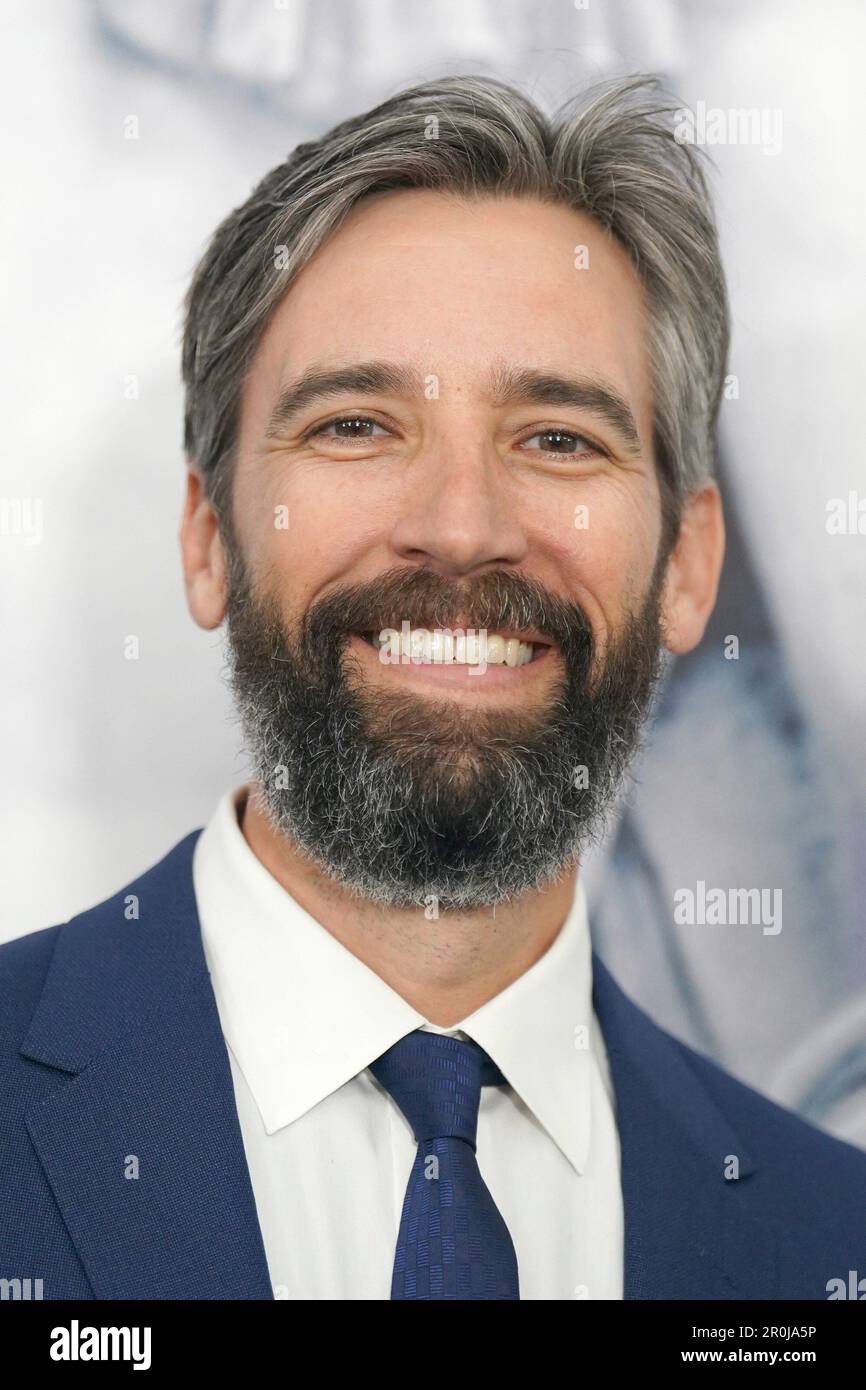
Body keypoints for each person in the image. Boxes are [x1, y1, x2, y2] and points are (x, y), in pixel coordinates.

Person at [2, 73, 864, 1301]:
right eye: (355, 426)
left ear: (685, 564)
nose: (460, 528)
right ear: (206, 537)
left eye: (557, 436)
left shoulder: (829, 1247)